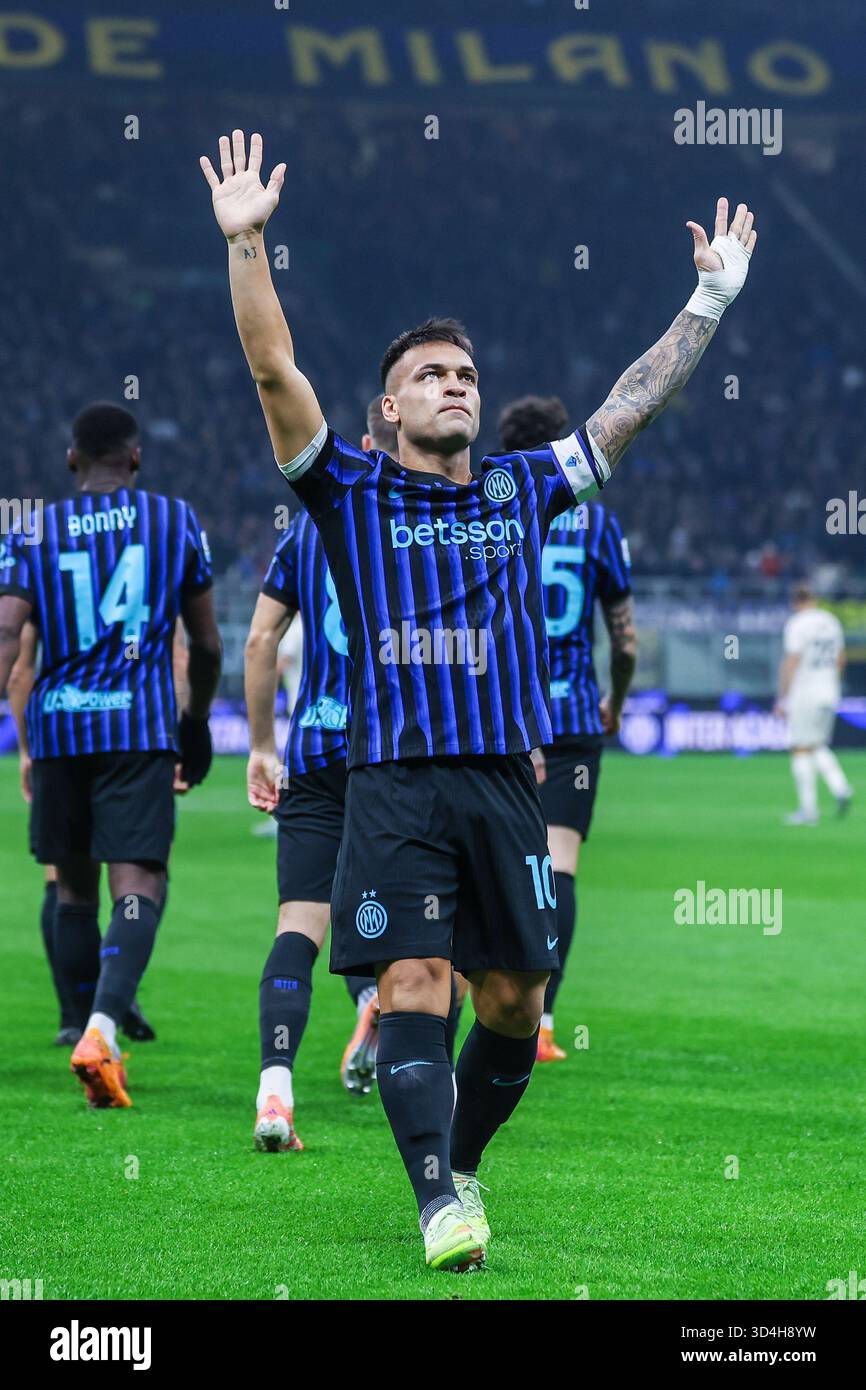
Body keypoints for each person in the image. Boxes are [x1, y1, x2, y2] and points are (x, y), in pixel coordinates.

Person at [200, 129, 756, 1270]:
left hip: (507, 781)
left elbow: (625, 407)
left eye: (465, 374)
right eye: (429, 377)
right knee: (410, 981)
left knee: (510, 1002)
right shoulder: (346, 493)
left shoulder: (519, 486)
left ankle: (455, 1162)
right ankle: (431, 1200)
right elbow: (272, 371)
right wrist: (247, 240)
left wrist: (705, 301)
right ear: (388, 410)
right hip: (393, 783)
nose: (455, 385)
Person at [0, 402, 222, 1107]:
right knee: (138, 883)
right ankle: (102, 1026)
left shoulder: (32, 530)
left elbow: (7, 632)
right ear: (135, 457)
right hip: (139, 727)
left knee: (71, 886)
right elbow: (208, 643)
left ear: (72, 461)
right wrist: (195, 723)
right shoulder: (174, 520)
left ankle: (77, 1023)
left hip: (62, 727)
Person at [244, 397, 397, 1152]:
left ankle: (275, 1093)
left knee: (298, 926)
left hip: (312, 754)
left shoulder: (307, 528)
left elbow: (260, 640)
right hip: (399, 759)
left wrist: (261, 745)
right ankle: (433, 1093)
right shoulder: (434, 521)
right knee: (427, 934)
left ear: (363, 442)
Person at [498, 396, 637, 1061]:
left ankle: (475, 1002)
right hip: (574, 716)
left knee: (486, 864)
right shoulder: (598, 525)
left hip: (499, 719)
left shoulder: (487, 510)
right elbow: (626, 638)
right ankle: (543, 1020)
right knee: (560, 866)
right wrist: (616, 696)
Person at [775, 583, 853, 825]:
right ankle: (840, 787)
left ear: (794, 602)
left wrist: (782, 697)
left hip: (805, 691)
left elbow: (792, 660)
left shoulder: (797, 624)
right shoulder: (830, 621)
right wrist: (832, 684)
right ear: (815, 599)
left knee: (800, 747)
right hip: (829, 690)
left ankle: (808, 811)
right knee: (817, 744)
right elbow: (841, 659)